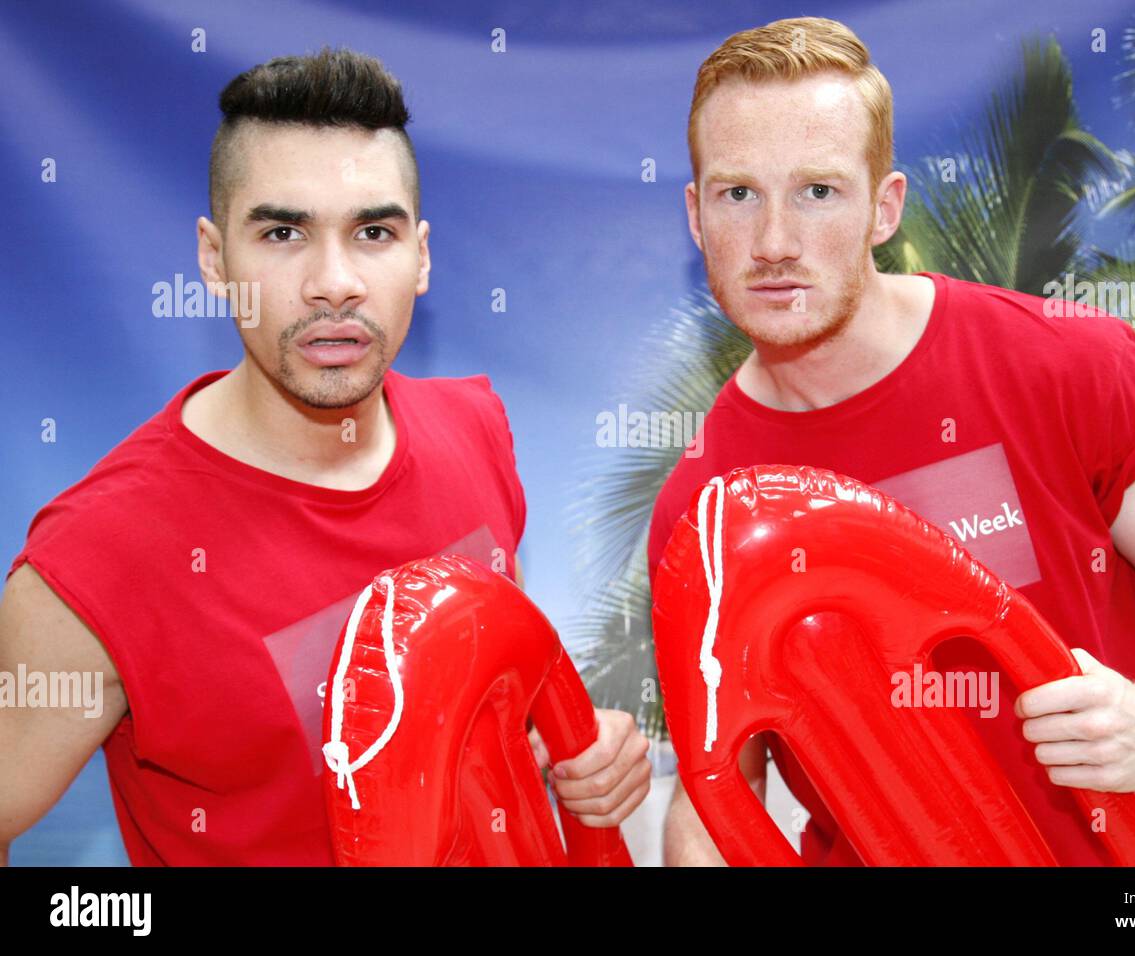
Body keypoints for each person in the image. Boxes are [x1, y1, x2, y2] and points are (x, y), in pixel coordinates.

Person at [651, 17, 1135, 866]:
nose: (774, 243)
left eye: (819, 191)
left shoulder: (1063, 363)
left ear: (884, 208)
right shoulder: (702, 512)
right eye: (739, 194)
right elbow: (716, 797)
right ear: (696, 217)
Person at [0, 47, 650, 866]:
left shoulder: (475, 425)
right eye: (283, 233)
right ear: (214, 260)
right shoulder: (93, 564)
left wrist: (578, 753)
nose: (334, 282)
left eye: (373, 232)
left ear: (420, 255)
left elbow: (487, 703)